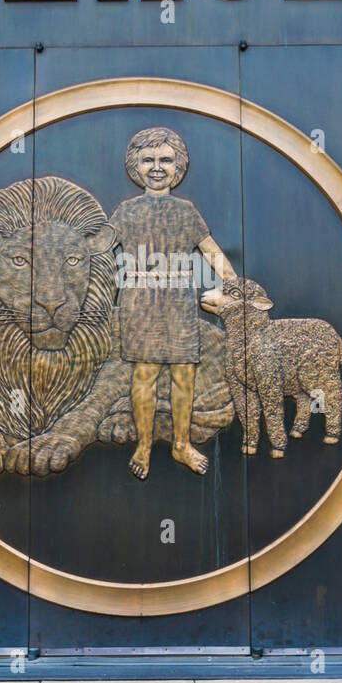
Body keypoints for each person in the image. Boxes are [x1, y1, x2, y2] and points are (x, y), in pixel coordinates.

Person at [109, 127, 237, 480]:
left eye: (165, 160)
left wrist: (234, 287)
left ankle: (181, 445)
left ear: (178, 166)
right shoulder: (125, 212)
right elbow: (102, 254)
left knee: (184, 375)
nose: (156, 167)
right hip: (139, 301)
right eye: (148, 160)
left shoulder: (186, 211)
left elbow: (211, 252)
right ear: (135, 165)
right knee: (145, 374)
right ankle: (144, 444)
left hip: (179, 300)